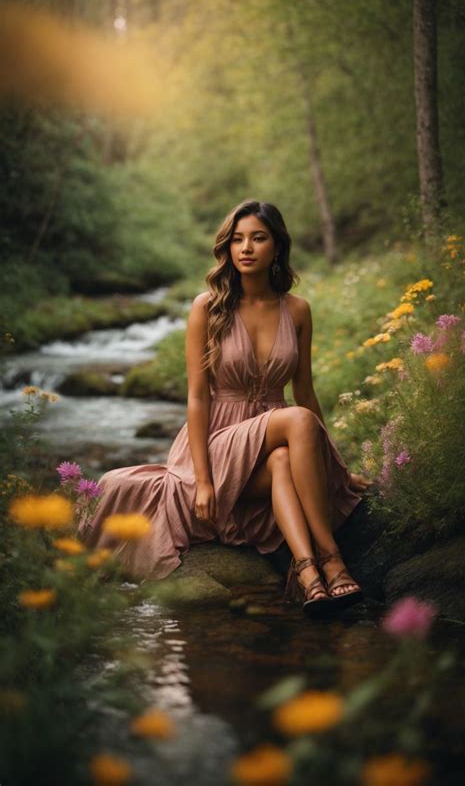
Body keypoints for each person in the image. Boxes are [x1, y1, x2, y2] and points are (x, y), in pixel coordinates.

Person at [79, 200, 373, 615]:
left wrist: (335, 469)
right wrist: (202, 480)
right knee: (297, 421)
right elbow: (198, 397)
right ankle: (334, 559)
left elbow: (304, 389)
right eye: (237, 239)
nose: (246, 248)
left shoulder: (298, 311)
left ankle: (307, 573)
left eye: (258, 237)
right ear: (227, 248)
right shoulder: (208, 307)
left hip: (273, 443)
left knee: (287, 456)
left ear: (277, 246)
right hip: (217, 446)